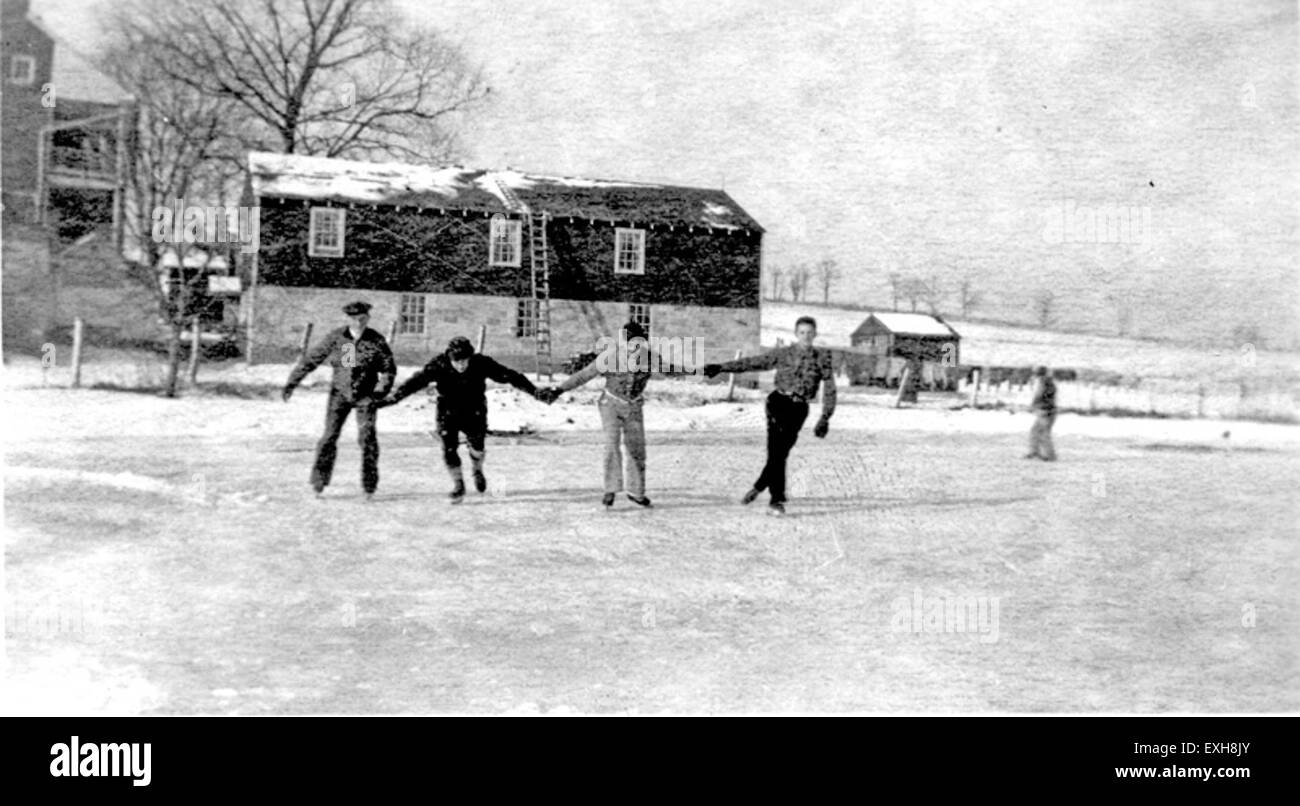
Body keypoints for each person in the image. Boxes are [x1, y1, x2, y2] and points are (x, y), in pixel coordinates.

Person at [378, 336, 543, 503]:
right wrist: (393, 398)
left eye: (465, 360)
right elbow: (414, 383)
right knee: (449, 447)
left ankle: (477, 469)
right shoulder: (439, 364)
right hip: (448, 410)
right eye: (456, 361)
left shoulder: (481, 363)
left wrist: (534, 391)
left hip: (474, 408)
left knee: (477, 446)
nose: (461, 365)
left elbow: (510, 376)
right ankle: (458, 485)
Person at [703, 316, 836, 516]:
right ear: (795, 334)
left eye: (810, 332)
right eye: (802, 332)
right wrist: (722, 367)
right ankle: (776, 499)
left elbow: (830, 388)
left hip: (799, 409)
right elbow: (755, 363)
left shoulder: (821, 358)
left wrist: (825, 417)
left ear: (815, 334)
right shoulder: (784, 353)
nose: (806, 336)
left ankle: (759, 486)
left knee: (781, 452)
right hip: (778, 403)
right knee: (777, 450)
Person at [537, 321, 665, 509]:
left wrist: (704, 370)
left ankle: (636, 492)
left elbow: (672, 369)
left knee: (637, 448)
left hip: (634, 406)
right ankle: (611, 489)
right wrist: (559, 390)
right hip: (610, 404)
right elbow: (584, 375)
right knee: (612, 445)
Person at [282, 301, 396, 500]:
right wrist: (292, 382)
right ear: (347, 319)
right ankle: (319, 482)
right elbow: (312, 359)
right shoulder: (340, 338)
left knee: (367, 438)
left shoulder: (375, 340)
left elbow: (388, 369)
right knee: (329, 437)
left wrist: (381, 389)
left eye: (362, 319)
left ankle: (369, 485)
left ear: (367, 318)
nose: (358, 323)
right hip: (340, 394)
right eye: (354, 319)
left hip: (365, 396)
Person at [1026, 365, 1057, 461]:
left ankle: (1049, 455)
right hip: (1049, 410)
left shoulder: (1043, 382)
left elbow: (1039, 395)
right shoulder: (1050, 382)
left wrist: (1033, 405)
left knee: (1042, 433)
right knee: (1036, 431)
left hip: (1045, 411)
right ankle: (1035, 451)